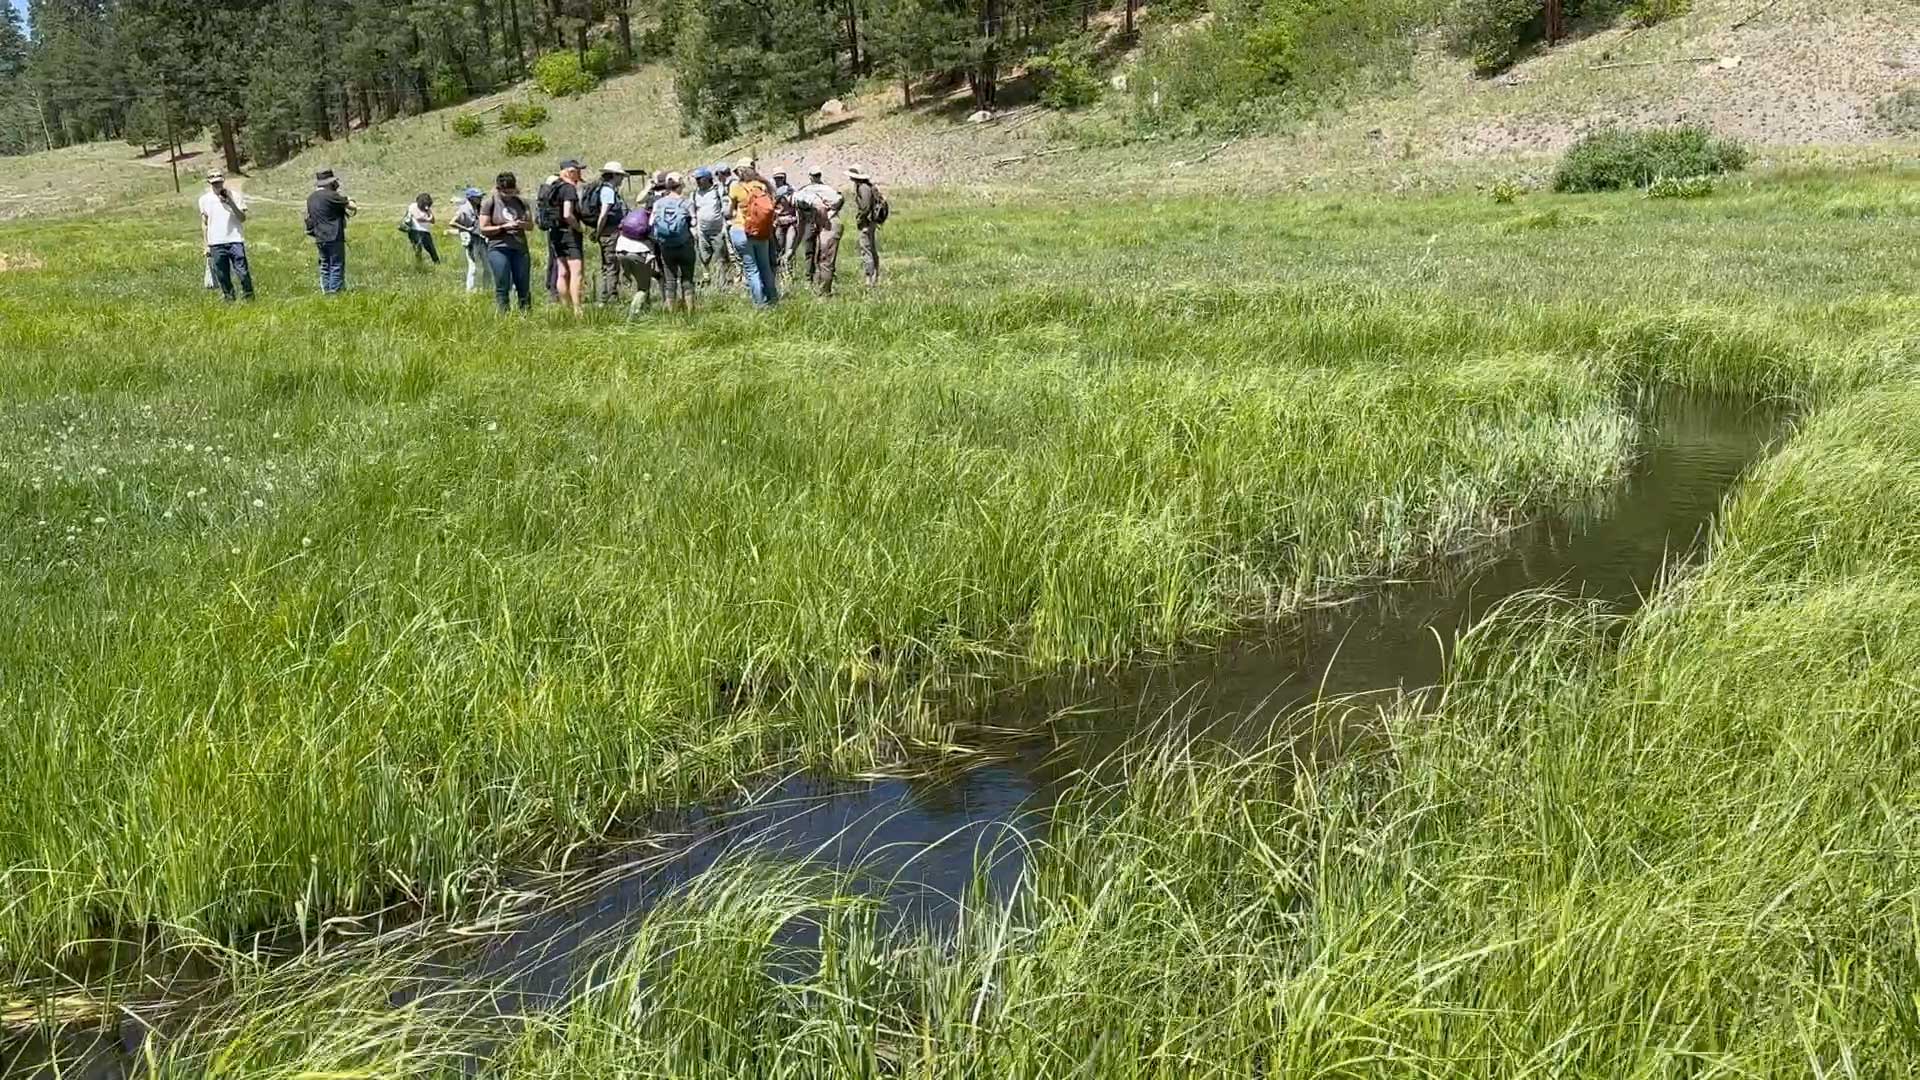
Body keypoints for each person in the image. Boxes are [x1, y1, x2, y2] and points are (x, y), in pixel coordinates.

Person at [477, 171, 535, 312]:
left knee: (523, 284)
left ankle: (526, 314)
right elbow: (483, 228)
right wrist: (503, 227)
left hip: (520, 248)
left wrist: (522, 224)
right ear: (498, 189)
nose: (509, 195)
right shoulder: (489, 203)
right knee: (502, 284)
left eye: (511, 191)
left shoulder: (521, 202)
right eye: (505, 193)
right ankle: (504, 315)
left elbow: (531, 225)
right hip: (498, 247)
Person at [727, 159, 779, 308]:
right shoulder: (762, 186)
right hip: (761, 231)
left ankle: (760, 304)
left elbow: (729, 211)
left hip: (741, 231)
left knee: (751, 269)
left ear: (739, 171)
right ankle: (773, 300)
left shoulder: (735, 187)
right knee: (765, 267)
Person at [198, 170, 253, 302]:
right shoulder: (204, 200)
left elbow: (242, 218)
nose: (217, 185)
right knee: (222, 275)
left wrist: (230, 203)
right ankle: (229, 298)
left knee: (243, 272)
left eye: (219, 182)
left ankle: (249, 297)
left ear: (223, 181)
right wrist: (206, 245)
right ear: (209, 183)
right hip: (216, 242)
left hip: (235, 239)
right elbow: (204, 223)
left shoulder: (235, 195)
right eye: (214, 183)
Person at [648, 172, 698, 314]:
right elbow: (694, 223)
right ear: (681, 185)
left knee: (670, 280)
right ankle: (690, 312)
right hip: (685, 246)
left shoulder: (658, 203)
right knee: (687, 279)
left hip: (666, 247)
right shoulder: (687, 203)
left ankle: (671, 313)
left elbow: (651, 222)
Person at [304, 168, 357, 295]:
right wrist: (350, 199)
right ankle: (335, 293)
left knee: (325, 265)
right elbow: (352, 207)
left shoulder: (310, 198)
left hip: (319, 236)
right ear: (330, 182)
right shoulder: (332, 196)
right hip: (334, 235)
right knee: (336, 265)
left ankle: (326, 290)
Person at [547, 158, 587, 315]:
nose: (579, 173)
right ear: (571, 172)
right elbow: (567, 213)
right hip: (569, 233)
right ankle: (578, 309)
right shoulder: (568, 189)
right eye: (578, 170)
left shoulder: (553, 188)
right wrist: (578, 227)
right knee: (576, 272)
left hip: (556, 233)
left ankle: (565, 307)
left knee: (562, 271)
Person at [586, 161, 630, 307]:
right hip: (610, 233)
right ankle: (610, 298)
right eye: (620, 176)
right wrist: (598, 233)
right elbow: (604, 214)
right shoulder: (608, 191)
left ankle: (605, 297)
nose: (622, 179)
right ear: (614, 175)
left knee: (607, 265)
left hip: (606, 233)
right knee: (612, 266)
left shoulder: (604, 189)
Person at [797, 167, 844, 295]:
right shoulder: (828, 189)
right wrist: (833, 211)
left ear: (810, 177)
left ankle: (824, 293)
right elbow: (840, 198)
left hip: (825, 224)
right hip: (829, 222)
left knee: (824, 259)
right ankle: (822, 287)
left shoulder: (803, 193)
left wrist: (824, 220)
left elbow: (820, 207)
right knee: (823, 257)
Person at [691, 166, 731, 290]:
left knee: (720, 257)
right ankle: (708, 279)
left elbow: (725, 207)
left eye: (700, 179)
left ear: (708, 179)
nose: (697, 181)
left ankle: (722, 283)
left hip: (717, 230)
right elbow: (693, 209)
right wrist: (694, 224)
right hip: (702, 231)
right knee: (704, 257)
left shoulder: (716, 191)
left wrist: (725, 226)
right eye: (696, 179)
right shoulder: (695, 194)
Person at [448, 187, 492, 294]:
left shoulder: (479, 208)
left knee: (487, 266)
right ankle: (470, 291)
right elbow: (452, 222)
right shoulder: (464, 209)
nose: (480, 198)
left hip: (481, 239)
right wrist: (466, 229)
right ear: (471, 198)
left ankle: (487, 289)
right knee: (473, 267)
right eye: (478, 197)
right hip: (472, 240)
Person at [849, 166, 886, 287]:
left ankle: (869, 278)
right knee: (871, 248)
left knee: (866, 249)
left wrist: (860, 218)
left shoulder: (863, 188)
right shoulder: (868, 186)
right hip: (871, 222)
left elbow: (865, 207)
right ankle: (875, 276)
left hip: (866, 222)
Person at [770, 169, 797, 279]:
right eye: (776, 178)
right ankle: (779, 273)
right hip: (778, 223)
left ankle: (789, 274)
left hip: (791, 222)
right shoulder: (771, 191)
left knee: (789, 250)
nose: (778, 180)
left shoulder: (791, 190)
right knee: (778, 249)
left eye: (780, 178)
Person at [405, 193, 440, 266]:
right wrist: (428, 219)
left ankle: (437, 263)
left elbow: (433, 220)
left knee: (431, 249)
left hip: (425, 231)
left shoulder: (427, 209)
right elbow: (418, 218)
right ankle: (419, 265)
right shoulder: (413, 206)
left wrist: (428, 212)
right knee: (418, 249)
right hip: (415, 231)